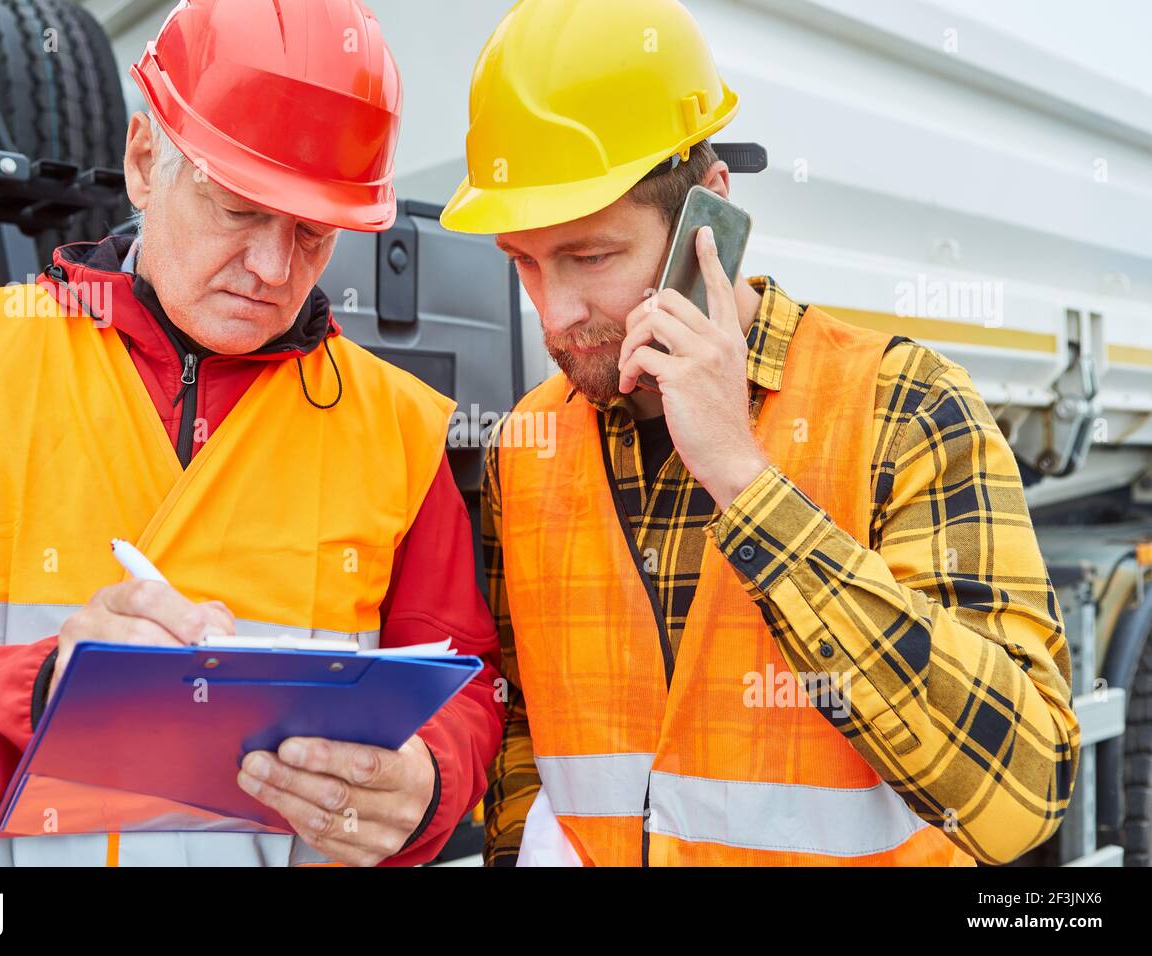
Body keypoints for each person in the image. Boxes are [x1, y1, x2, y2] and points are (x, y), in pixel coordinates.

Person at [0, 0, 502, 867]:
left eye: (314, 232)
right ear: (144, 159)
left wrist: (429, 783)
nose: (274, 270)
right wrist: (42, 690)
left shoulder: (402, 428)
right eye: (238, 209)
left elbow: (467, 688)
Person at [440, 0, 1079, 866]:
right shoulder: (528, 444)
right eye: (522, 260)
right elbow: (522, 754)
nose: (555, 313)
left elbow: (1024, 794)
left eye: (590, 258)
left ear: (709, 215)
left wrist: (746, 481)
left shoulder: (907, 406)